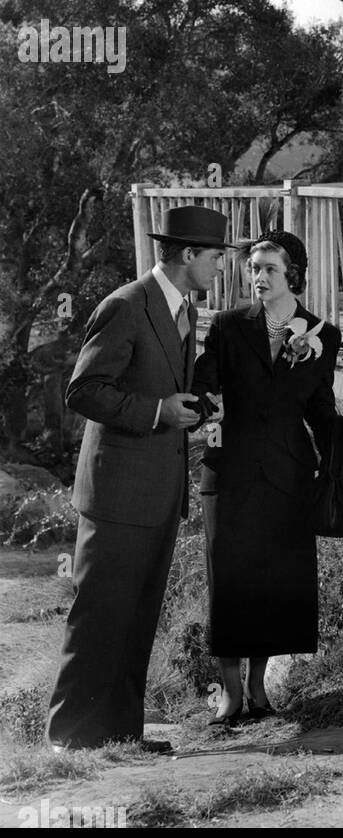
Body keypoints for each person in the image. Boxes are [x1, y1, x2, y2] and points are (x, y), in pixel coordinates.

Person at [47, 206, 233, 752]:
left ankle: (121, 735)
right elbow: (83, 391)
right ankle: (70, 738)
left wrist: (196, 406)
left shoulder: (185, 309)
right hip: (116, 492)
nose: (222, 266)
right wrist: (157, 412)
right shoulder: (126, 306)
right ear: (189, 255)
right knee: (99, 615)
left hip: (159, 491)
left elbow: (167, 382)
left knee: (136, 617)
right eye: (217, 256)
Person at [192, 230, 341, 725]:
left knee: (273, 586)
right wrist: (203, 400)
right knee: (231, 584)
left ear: (292, 274)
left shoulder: (323, 334)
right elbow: (205, 382)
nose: (257, 277)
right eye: (253, 268)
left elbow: (319, 405)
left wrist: (339, 435)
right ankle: (230, 695)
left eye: (268, 269)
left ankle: (259, 691)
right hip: (230, 472)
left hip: (287, 475)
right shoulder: (229, 326)